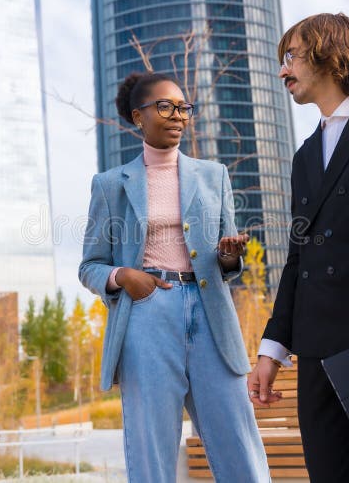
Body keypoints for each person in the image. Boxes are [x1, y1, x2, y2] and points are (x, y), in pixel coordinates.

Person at [79, 72, 269, 482]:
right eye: (165, 107)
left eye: (183, 108)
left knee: (238, 440)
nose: (178, 116)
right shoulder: (110, 185)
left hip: (210, 313)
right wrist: (123, 275)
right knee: (151, 448)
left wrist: (228, 257)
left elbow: (226, 257)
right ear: (139, 116)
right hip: (146, 315)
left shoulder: (214, 175)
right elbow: (89, 266)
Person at [246, 13, 349, 483]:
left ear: (328, 53)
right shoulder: (303, 156)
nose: (283, 70)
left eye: (291, 56)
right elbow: (300, 258)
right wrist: (272, 348)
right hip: (316, 360)